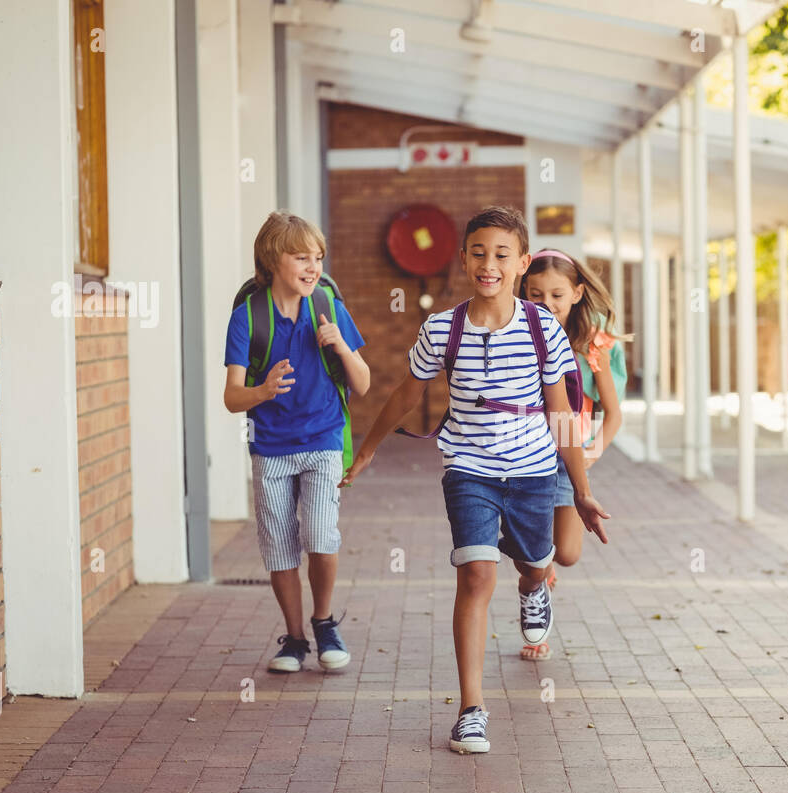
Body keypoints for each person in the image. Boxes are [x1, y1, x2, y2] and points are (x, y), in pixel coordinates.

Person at [340, 205, 609, 754]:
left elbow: (562, 413)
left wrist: (580, 490)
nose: (489, 264)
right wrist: (368, 449)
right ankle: (471, 709)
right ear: (464, 258)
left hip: (535, 471)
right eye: (479, 253)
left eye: (502, 255)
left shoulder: (543, 331)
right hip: (469, 469)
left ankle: (535, 589)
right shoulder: (443, 328)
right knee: (477, 576)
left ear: (521, 263)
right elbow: (405, 393)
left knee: (537, 562)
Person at [223, 211, 370, 674]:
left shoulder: (326, 305)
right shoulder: (248, 317)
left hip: (324, 439)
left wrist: (341, 346)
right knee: (280, 545)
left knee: (320, 534)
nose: (313, 267)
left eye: (318, 257)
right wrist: (263, 391)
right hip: (271, 447)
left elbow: (363, 385)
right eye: (301, 257)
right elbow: (231, 397)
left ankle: (324, 621)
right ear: (273, 260)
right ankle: (295, 639)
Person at [520, 248, 627, 659]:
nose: (545, 305)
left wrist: (590, 454)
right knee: (536, 558)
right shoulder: (516, 332)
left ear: (578, 294)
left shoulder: (592, 342)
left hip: (569, 459)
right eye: (535, 295)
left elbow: (614, 415)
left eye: (556, 296)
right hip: (524, 455)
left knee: (565, 553)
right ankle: (534, 603)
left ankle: (539, 569)